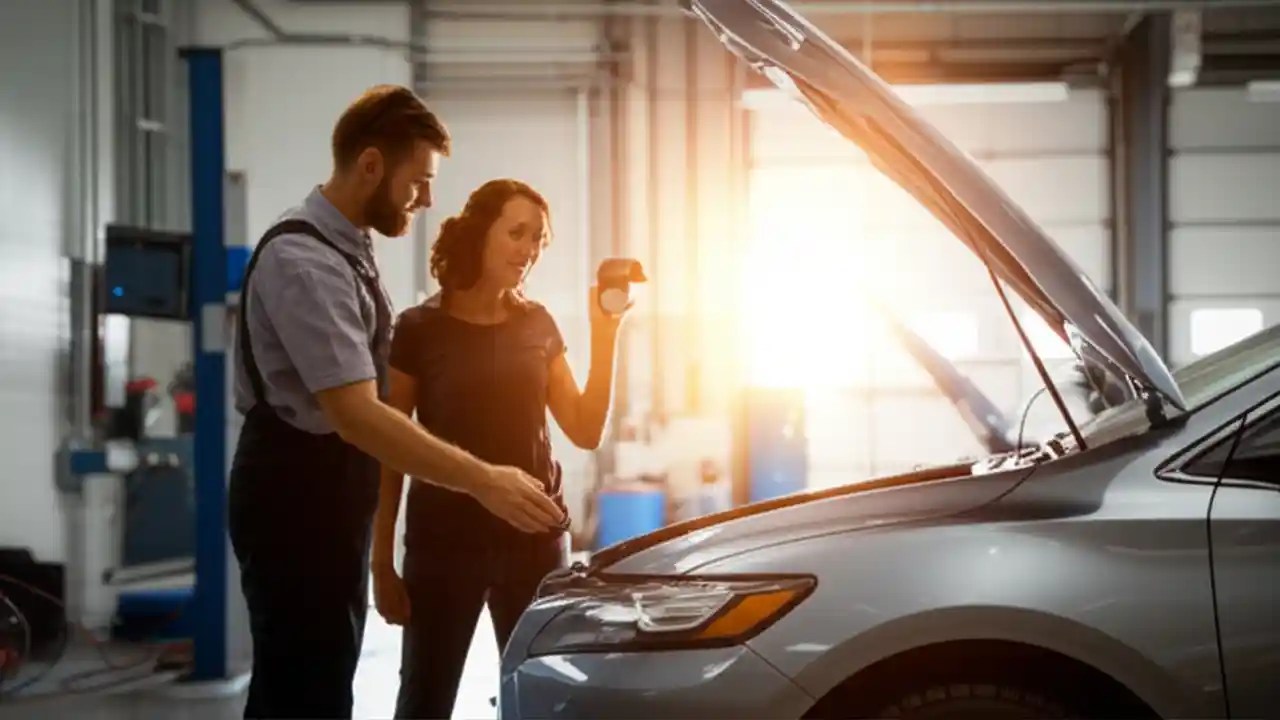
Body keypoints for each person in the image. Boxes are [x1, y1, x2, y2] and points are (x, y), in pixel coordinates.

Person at [226, 88, 564, 720]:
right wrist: (481, 479)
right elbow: (359, 414)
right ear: (373, 165)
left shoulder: (348, 248)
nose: (428, 199)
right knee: (303, 686)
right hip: (296, 489)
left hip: (327, 488)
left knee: (318, 675)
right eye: (420, 181)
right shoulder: (305, 262)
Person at [370, 179, 628, 719]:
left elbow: (584, 429)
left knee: (540, 702)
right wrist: (380, 562)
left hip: (533, 542)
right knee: (424, 702)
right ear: (478, 232)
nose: (529, 250)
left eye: (538, 238)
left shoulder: (537, 324)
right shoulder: (419, 329)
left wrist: (606, 336)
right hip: (443, 547)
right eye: (517, 233)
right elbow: (388, 450)